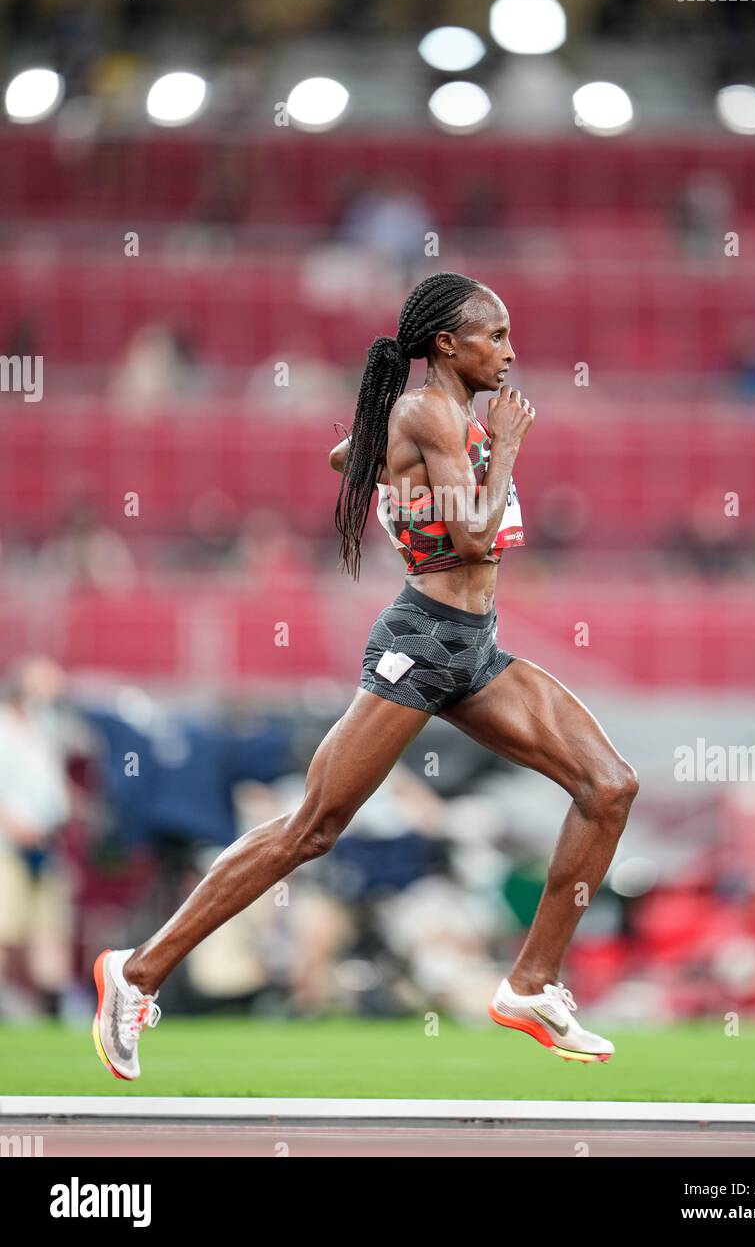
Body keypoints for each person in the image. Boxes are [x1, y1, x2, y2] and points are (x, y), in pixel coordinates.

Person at [91, 271, 638, 1079]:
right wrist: (507, 441)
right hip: (421, 646)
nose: (511, 352)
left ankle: (531, 983)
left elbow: (344, 454)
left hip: (473, 647)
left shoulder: (424, 418)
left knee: (608, 786)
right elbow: (478, 538)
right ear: (447, 344)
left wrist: (398, 472)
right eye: (497, 335)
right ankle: (133, 974)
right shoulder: (430, 411)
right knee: (311, 829)